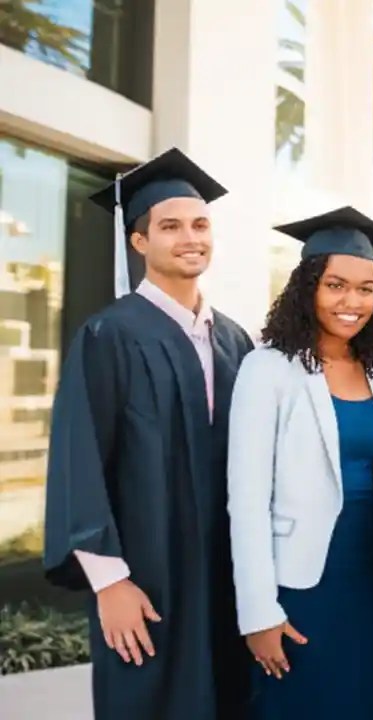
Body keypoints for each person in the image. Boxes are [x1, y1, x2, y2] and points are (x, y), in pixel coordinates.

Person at [42, 148, 256, 719]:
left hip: (227, 581)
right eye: (170, 226)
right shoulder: (109, 335)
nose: (190, 237)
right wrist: (110, 583)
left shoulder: (235, 341)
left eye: (200, 224)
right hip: (148, 579)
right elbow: (78, 459)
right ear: (139, 242)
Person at [226, 207, 373, 719]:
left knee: (369, 704)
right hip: (298, 584)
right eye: (336, 285)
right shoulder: (268, 368)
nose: (353, 302)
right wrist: (258, 611)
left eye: (366, 288)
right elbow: (246, 499)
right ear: (308, 287)